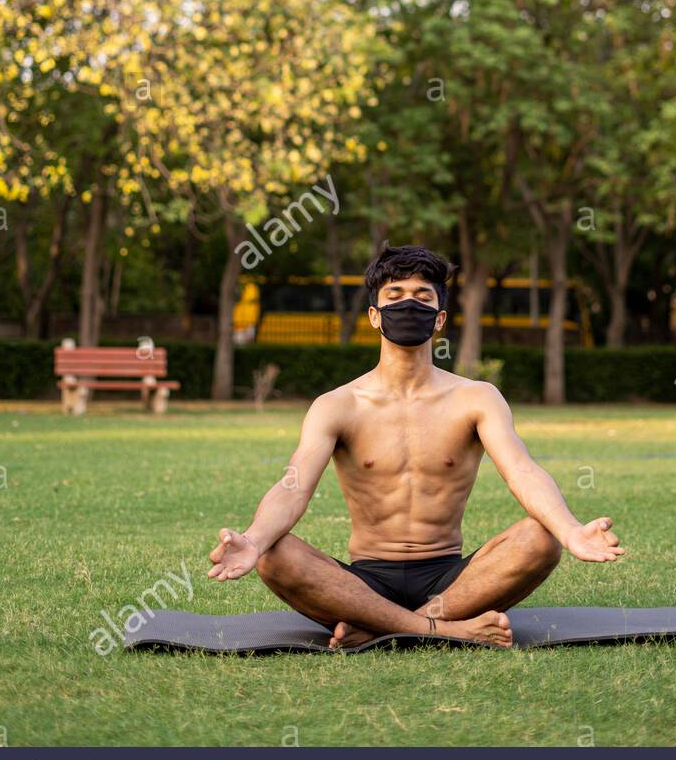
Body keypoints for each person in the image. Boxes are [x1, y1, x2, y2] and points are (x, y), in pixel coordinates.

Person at [208, 245, 624, 648]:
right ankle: (442, 630)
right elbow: (294, 487)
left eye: (423, 297)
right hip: (364, 580)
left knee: (541, 538)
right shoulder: (338, 405)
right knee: (273, 555)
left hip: (453, 581)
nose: (409, 304)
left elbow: (522, 471)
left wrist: (570, 531)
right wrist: (255, 538)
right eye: (395, 295)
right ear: (374, 315)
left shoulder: (476, 398)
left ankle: (383, 626)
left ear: (439, 318)